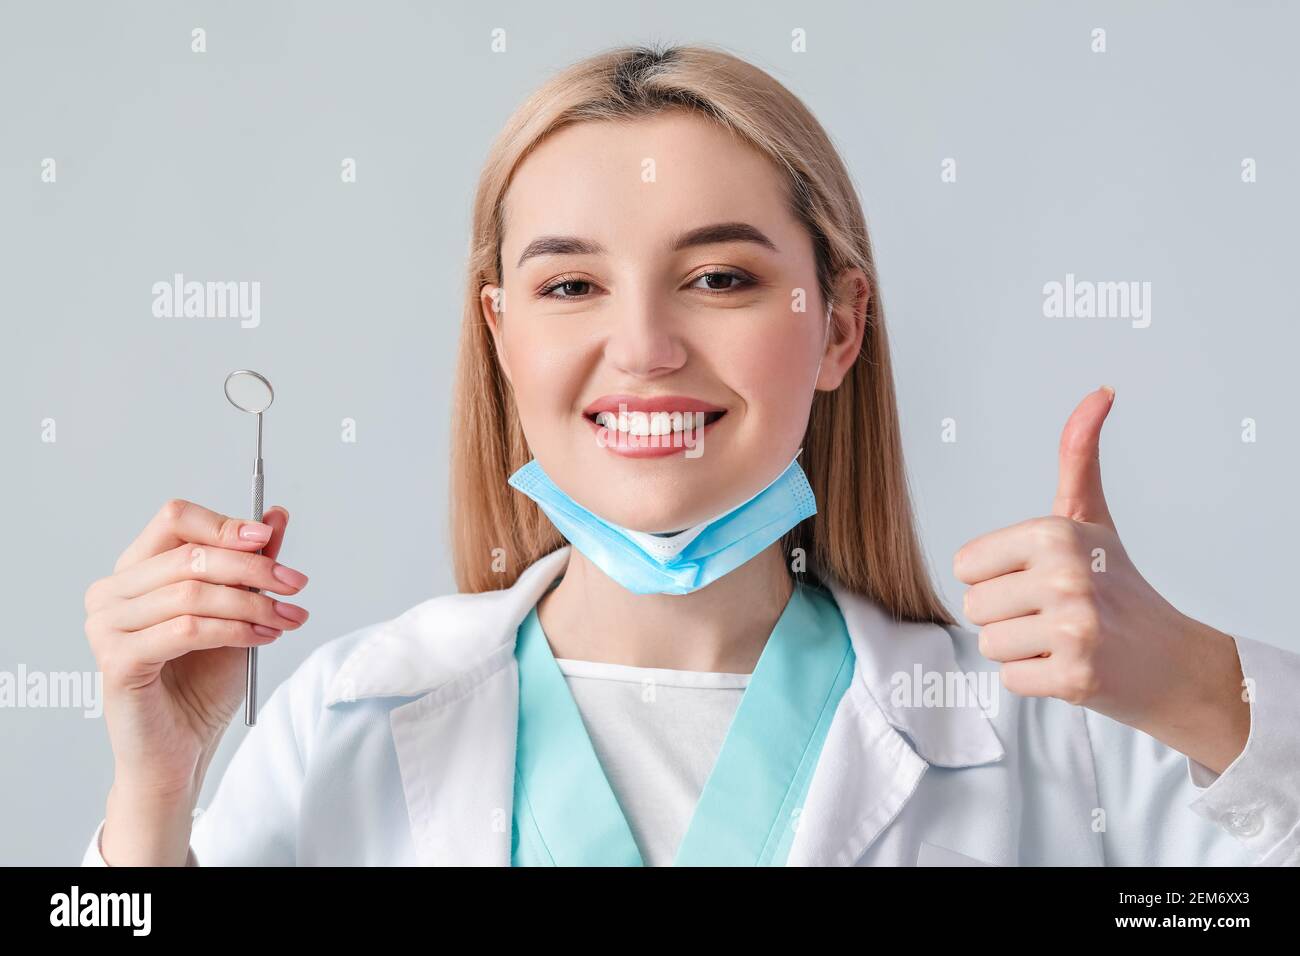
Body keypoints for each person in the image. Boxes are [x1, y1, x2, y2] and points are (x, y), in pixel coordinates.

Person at [81, 43, 1299, 867]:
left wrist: (1199, 686)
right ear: (501, 332)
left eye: (720, 277)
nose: (645, 345)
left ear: (837, 325)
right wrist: (151, 796)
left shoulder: (1041, 738)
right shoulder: (343, 723)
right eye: (569, 284)